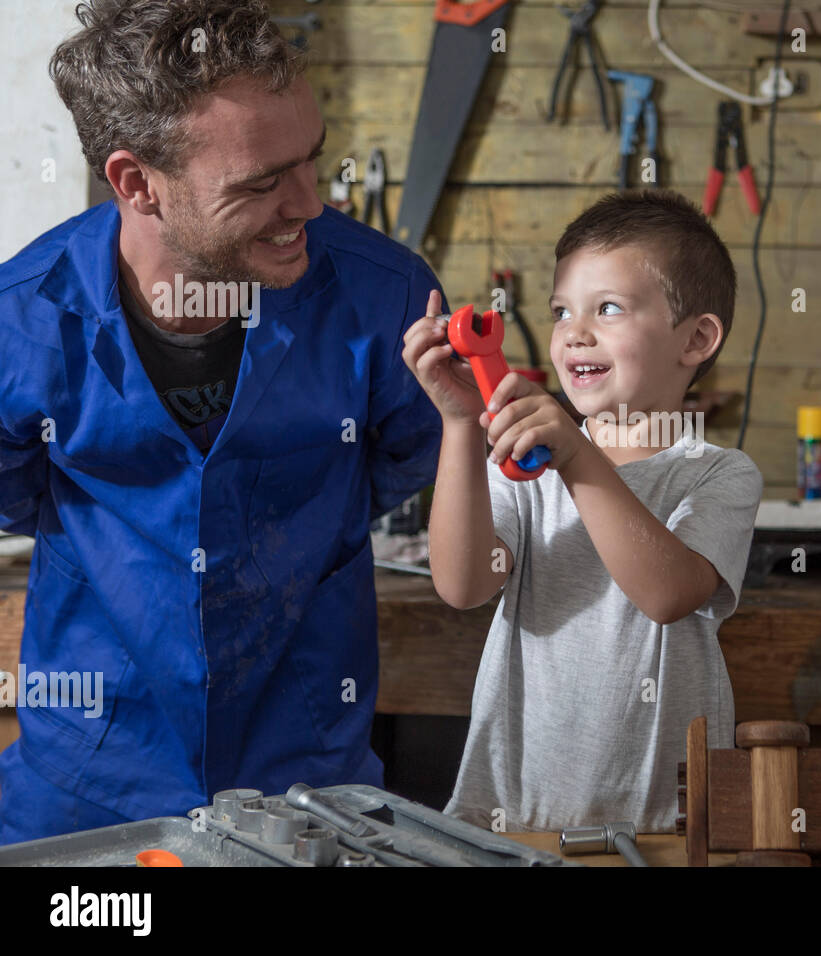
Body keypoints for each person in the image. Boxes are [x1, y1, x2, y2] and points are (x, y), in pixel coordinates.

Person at [0, 0, 443, 843]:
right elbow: (13, 499)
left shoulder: (386, 299)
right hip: (84, 784)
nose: (309, 204)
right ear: (137, 184)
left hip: (314, 790)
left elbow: (405, 464)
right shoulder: (18, 323)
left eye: (310, 161)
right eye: (262, 182)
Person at [403, 190, 762, 832]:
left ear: (697, 338)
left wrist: (574, 456)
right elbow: (462, 585)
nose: (575, 332)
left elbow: (668, 593)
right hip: (517, 816)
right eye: (562, 310)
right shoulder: (527, 465)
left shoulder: (718, 474)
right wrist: (460, 425)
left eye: (610, 308)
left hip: (664, 827)